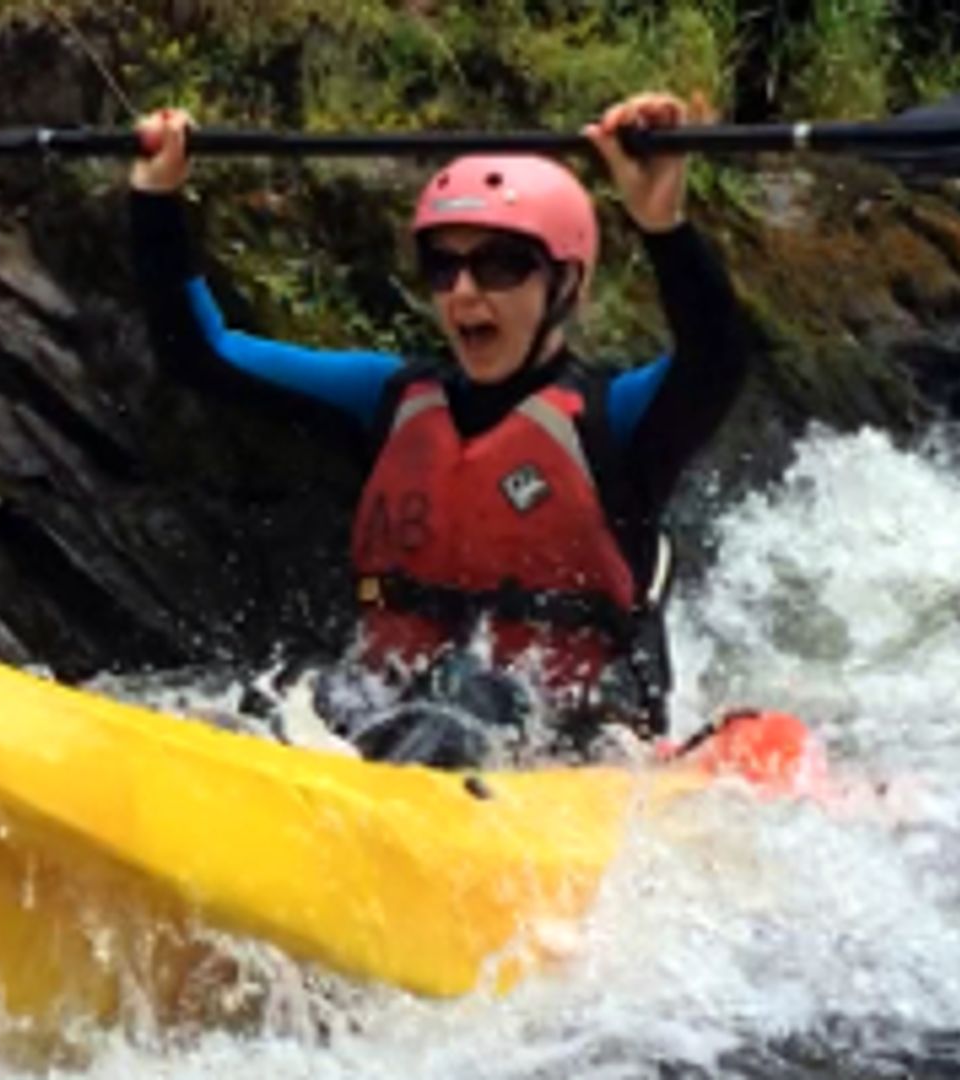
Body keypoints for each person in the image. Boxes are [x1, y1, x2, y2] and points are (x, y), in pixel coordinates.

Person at [129, 92, 755, 765]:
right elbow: (204, 354)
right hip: (387, 720)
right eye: (442, 265)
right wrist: (155, 198)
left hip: (566, 755)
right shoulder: (387, 403)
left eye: (500, 263)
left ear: (568, 286)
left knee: (471, 700)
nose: (462, 291)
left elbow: (717, 357)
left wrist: (662, 224)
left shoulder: (616, 423)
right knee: (285, 698)